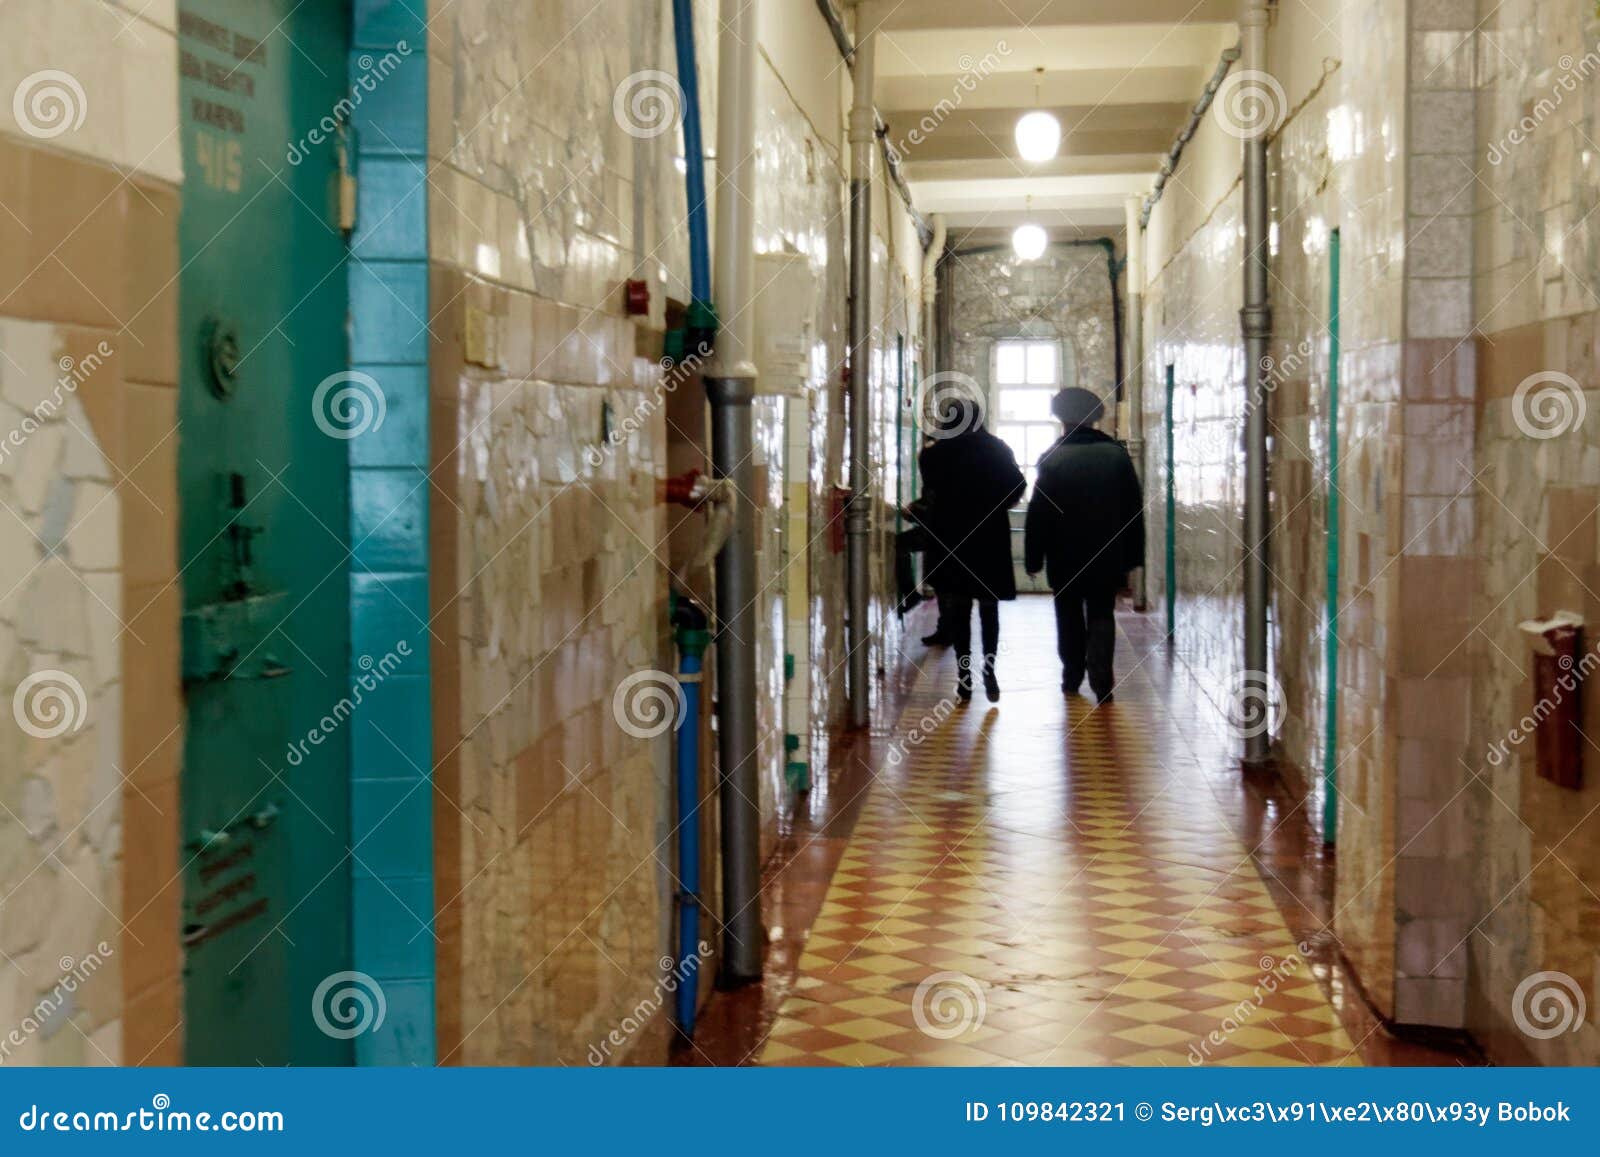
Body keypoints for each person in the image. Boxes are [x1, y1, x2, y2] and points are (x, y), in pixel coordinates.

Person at [1024, 387, 1144, 705]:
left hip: (1064, 556)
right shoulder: (1117, 456)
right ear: (1094, 419)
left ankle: (1072, 676)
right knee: (1102, 612)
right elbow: (1133, 509)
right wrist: (1133, 555)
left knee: (1068, 613)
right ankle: (1102, 681)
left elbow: (1039, 514)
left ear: (1061, 420)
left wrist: (1033, 558)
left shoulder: (1051, 459)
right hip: (1108, 554)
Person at [919, 415, 1027, 702]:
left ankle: (964, 676)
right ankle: (989, 670)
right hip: (989, 539)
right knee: (989, 610)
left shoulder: (936, 454)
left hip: (952, 539)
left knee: (960, 611)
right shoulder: (997, 449)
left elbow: (929, 487)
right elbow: (1017, 486)